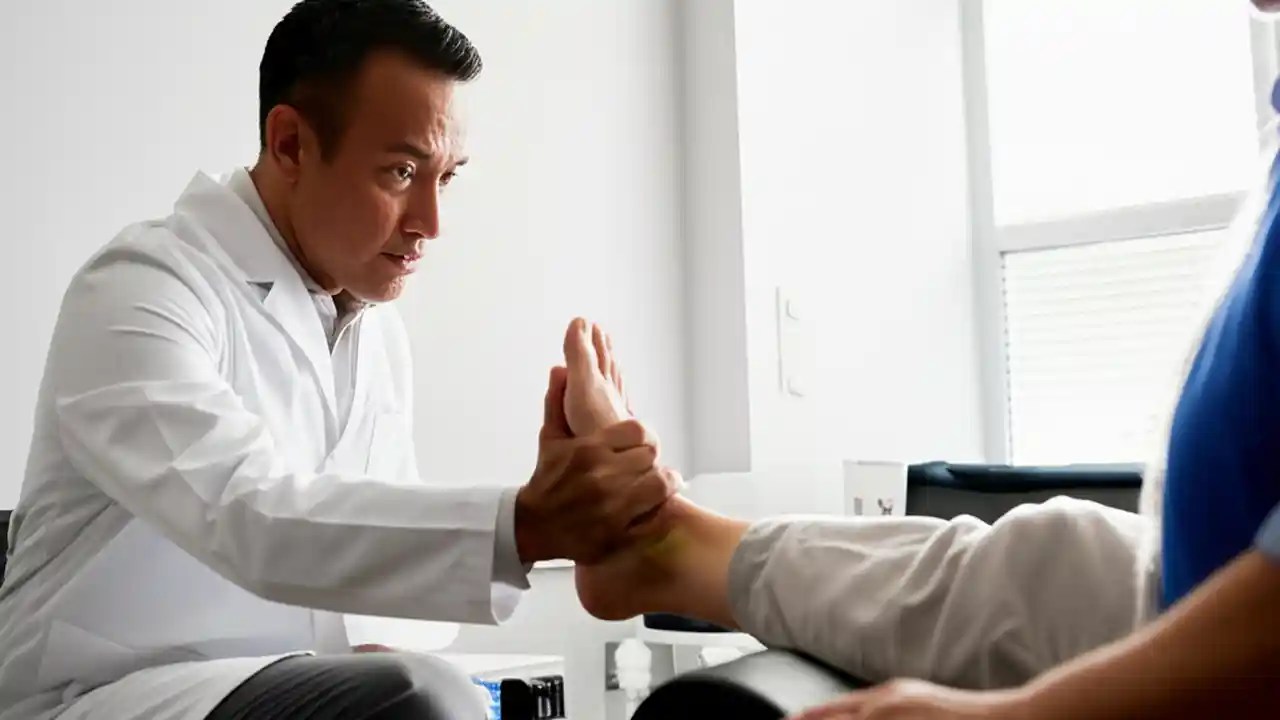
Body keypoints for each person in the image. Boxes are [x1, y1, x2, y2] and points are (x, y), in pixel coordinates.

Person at [570, 3, 1280, 717]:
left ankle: (667, 547)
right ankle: (669, 545)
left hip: (1230, 643)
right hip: (1192, 587)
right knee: (1050, 553)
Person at [0, 2, 680, 719]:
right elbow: (247, 512)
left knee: (462, 695)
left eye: (446, 179)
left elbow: (373, 581)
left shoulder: (371, 329)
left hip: (288, 681)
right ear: (290, 143)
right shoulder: (140, 288)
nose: (431, 224)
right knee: (425, 699)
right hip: (104, 696)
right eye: (400, 172)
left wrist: (553, 527)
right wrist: (528, 524)